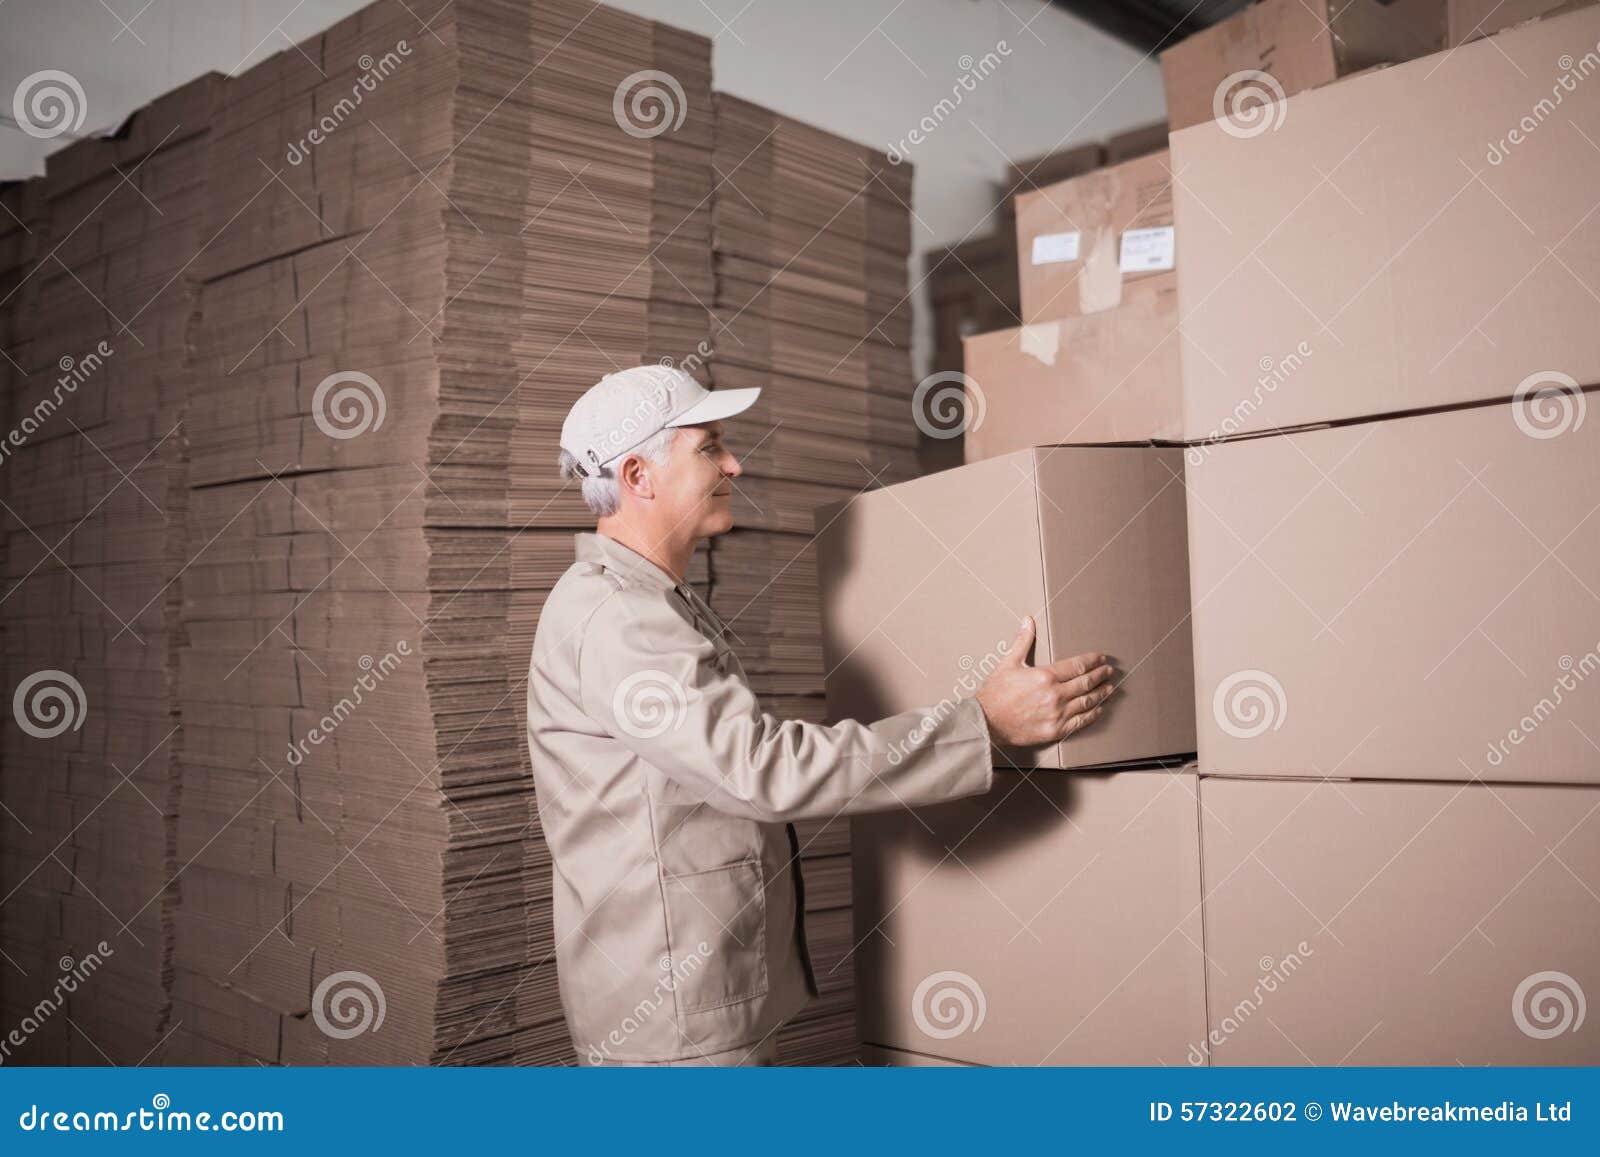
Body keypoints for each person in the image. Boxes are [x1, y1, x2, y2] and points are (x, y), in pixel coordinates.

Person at [526, 364, 1116, 1066]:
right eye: (710, 447)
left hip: (687, 995)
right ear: (638, 476)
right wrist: (981, 724)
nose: (734, 464)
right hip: (669, 1021)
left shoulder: (650, 602)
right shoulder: (619, 618)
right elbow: (763, 770)